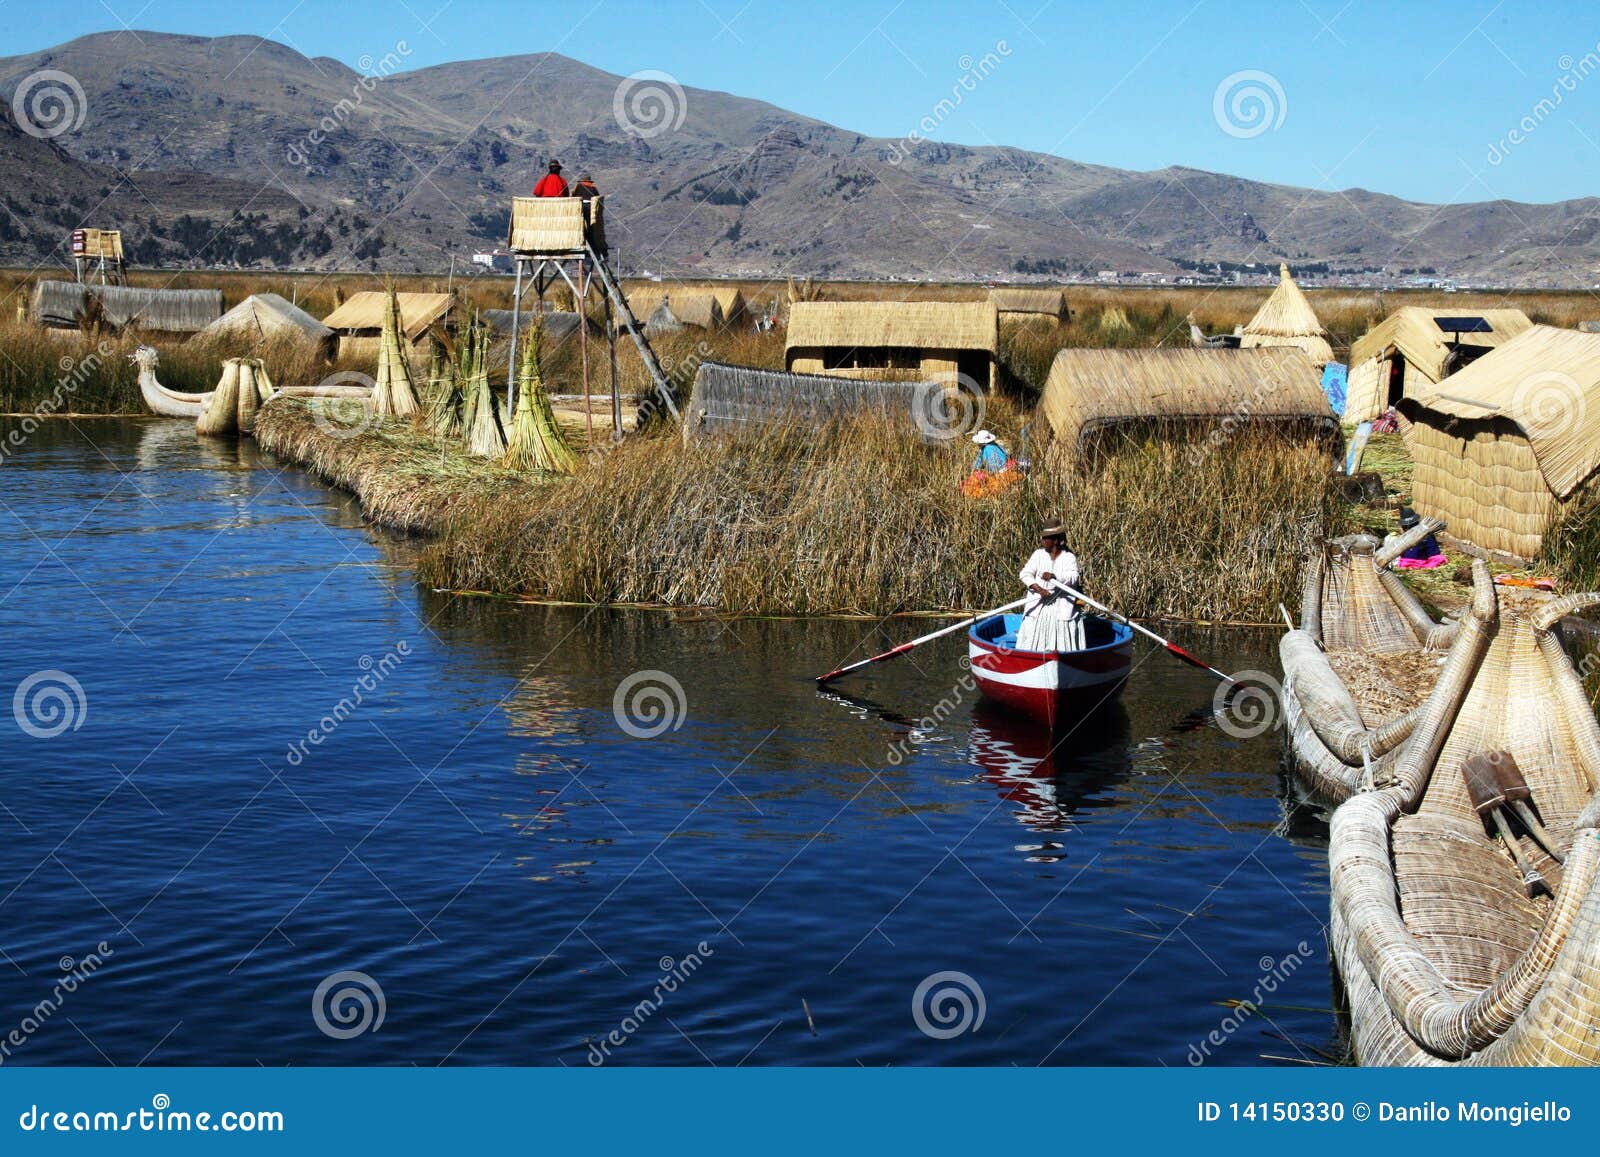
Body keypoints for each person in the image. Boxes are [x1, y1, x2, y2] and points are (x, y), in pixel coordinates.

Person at [1016, 522, 1084, 652]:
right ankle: (1032, 657)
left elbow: (1073, 577)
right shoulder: (1038, 555)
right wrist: (1039, 589)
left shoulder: (1069, 557)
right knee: (1034, 631)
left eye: (1046, 538)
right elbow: (1025, 574)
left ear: (1056, 540)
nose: (1042, 540)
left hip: (1061, 606)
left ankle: (1062, 658)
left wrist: (1055, 576)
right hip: (1038, 605)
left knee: (1061, 627)